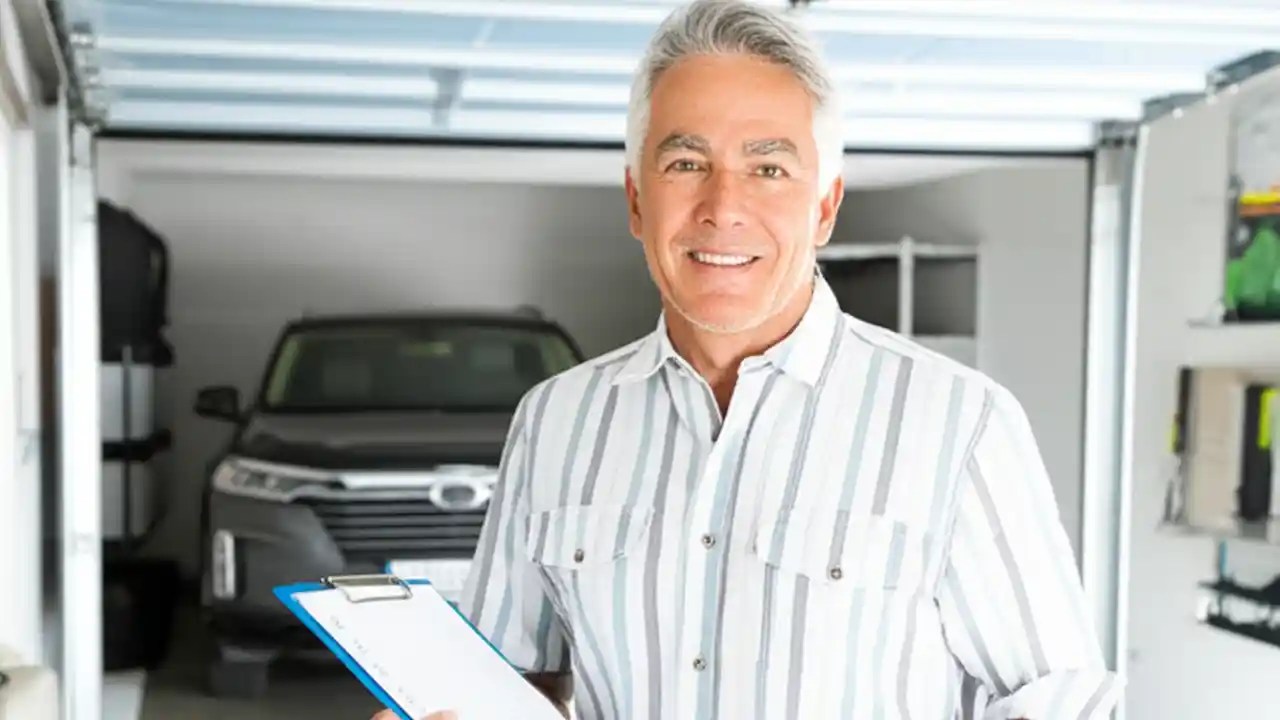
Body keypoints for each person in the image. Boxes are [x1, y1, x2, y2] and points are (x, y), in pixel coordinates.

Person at [374, 0, 1121, 717]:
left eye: (768, 169)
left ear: (824, 205)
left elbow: (1058, 700)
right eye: (686, 162)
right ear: (637, 200)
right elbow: (514, 683)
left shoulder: (960, 424)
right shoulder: (556, 420)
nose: (722, 206)